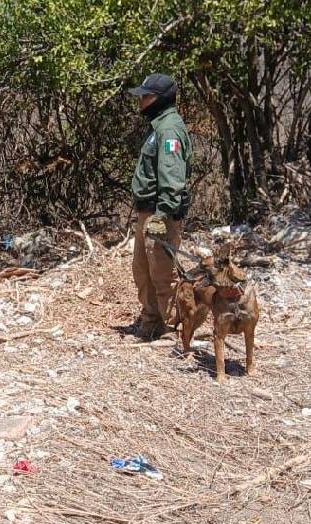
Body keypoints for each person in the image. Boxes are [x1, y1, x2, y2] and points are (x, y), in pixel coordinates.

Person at [128, 72, 193, 340]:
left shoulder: (169, 130)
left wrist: (163, 213)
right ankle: (151, 320)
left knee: (162, 273)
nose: (141, 100)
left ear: (161, 99)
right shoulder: (157, 126)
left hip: (159, 213)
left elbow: (172, 175)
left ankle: (172, 326)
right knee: (143, 269)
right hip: (147, 212)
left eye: (147, 95)